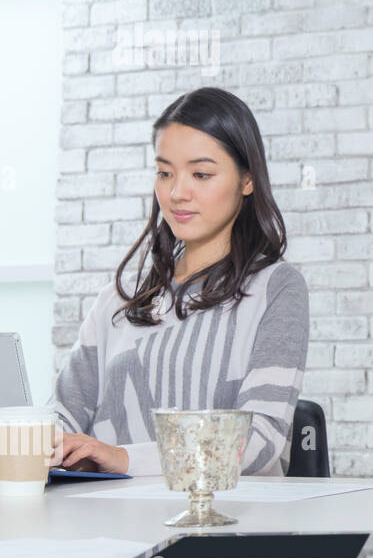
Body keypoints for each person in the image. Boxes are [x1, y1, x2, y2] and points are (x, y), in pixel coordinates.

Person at [51, 87, 309, 477]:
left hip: (227, 526)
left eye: (201, 174)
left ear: (247, 180)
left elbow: (258, 443)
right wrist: (48, 445)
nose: (176, 193)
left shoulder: (277, 289)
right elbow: (62, 415)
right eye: (165, 172)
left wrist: (123, 459)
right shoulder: (118, 301)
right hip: (109, 523)